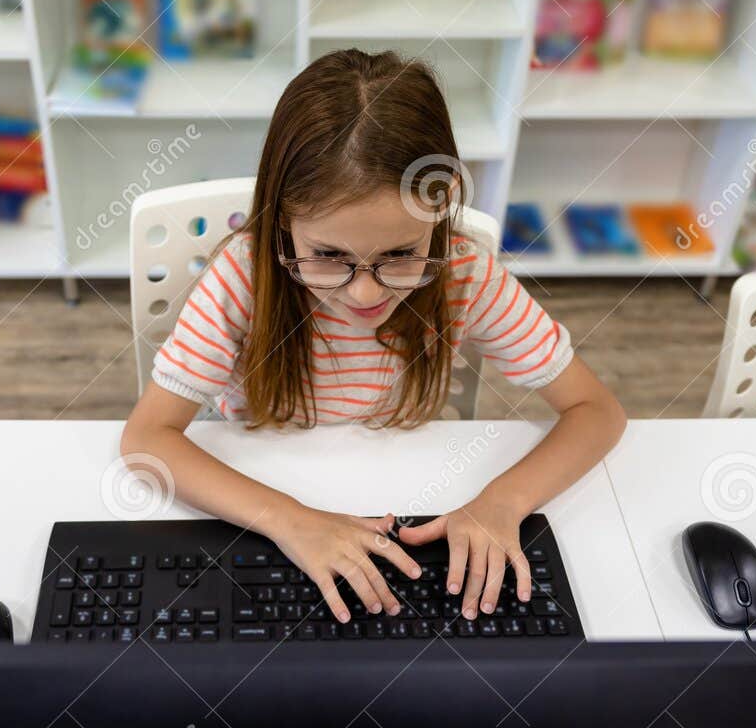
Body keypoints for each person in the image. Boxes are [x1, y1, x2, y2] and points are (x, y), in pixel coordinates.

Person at [121, 49, 626, 623]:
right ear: (282, 219)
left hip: (405, 485)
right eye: (329, 256)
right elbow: (147, 439)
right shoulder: (243, 277)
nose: (364, 295)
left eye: (402, 255)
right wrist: (289, 519)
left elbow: (597, 412)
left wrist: (504, 502)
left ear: (440, 211)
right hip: (260, 490)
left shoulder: (464, 271)